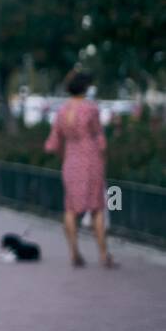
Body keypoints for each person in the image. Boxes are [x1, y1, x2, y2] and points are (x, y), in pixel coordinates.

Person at [44, 68, 115, 268]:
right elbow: (100, 139)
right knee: (97, 208)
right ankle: (103, 255)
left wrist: (65, 156)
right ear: (85, 88)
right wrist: (105, 157)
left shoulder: (62, 111)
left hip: (71, 162)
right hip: (91, 161)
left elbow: (53, 144)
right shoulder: (90, 109)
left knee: (70, 208)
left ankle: (74, 252)